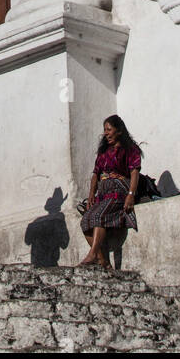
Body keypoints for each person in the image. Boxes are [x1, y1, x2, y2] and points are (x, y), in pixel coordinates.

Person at [79, 114, 142, 269]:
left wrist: (131, 195)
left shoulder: (130, 150)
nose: (106, 133)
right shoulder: (104, 152)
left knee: (99, 216)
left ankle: (93, 254)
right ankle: (104, 261)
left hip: (118, 191)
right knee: (86, 221)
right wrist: (91, 195)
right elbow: (95, 174)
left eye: (109, 129)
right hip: (103, 194)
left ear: (119, 131)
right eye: (105, 130)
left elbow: (134, 172)